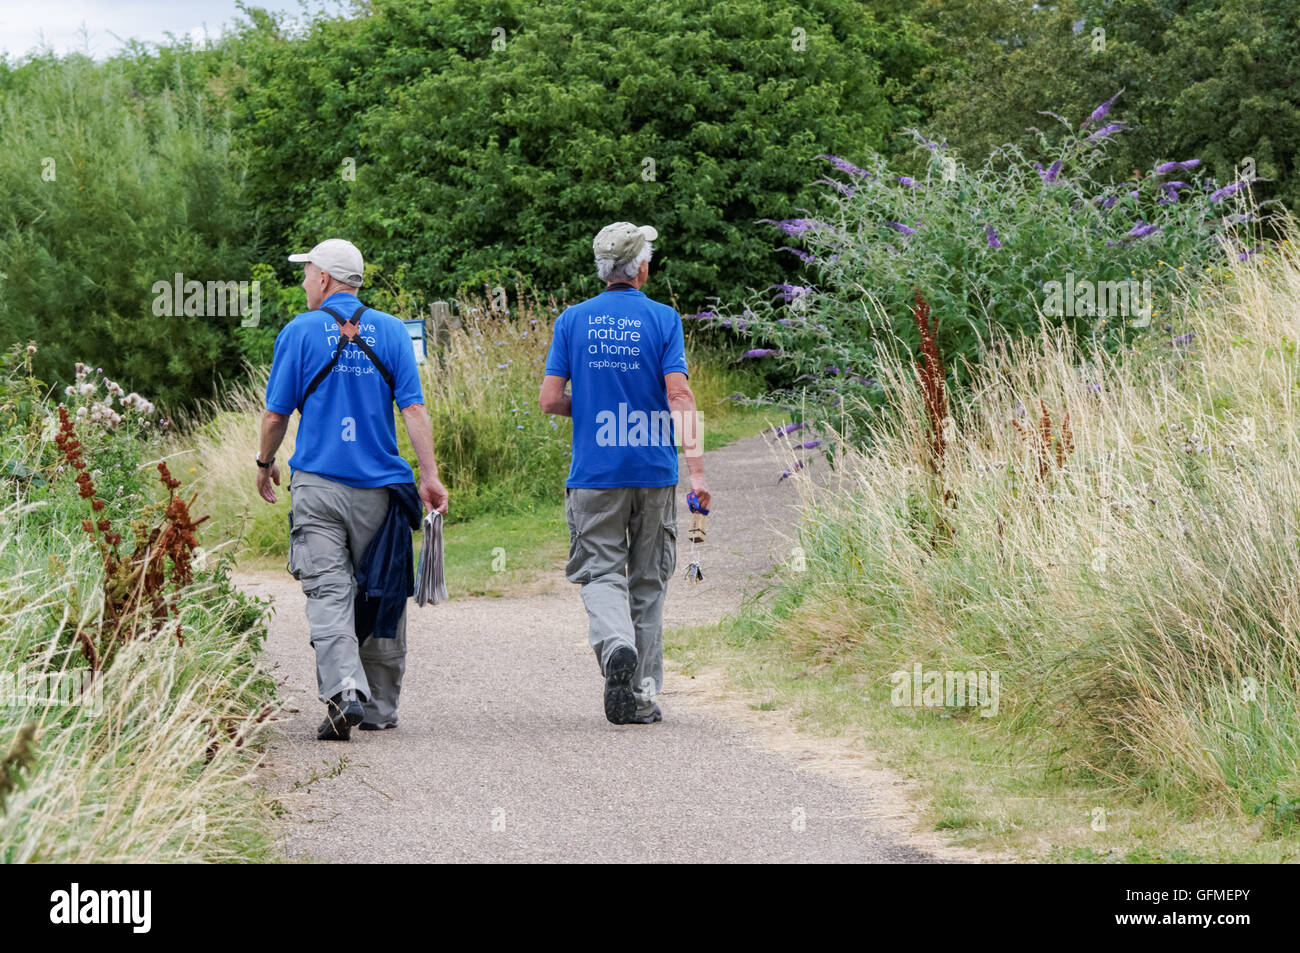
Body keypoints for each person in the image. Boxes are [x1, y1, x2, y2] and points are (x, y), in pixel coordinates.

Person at [256, 238, 449, 741]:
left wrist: (264, 463)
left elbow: (276, 414)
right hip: (381, 494)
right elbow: (414, 410)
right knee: (383, 593)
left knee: (329, 591)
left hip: (318, 488)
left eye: (307, 273)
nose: (303, 282)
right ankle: (380, 707)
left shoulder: (298, 332)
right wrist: (428, 477)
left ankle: (344, 691)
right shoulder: (390, 332)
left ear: (324, 278)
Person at [539, 222, 711, 725]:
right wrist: (696, 473)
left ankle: (616, 644)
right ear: (642, 266)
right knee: (649, 581)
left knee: (599, 570)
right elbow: (678, 395)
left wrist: (591, 410)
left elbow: (550, 400)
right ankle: (640, 696)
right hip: (653, 471)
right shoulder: (664, 318)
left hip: (595, 473)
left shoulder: (572, 320)